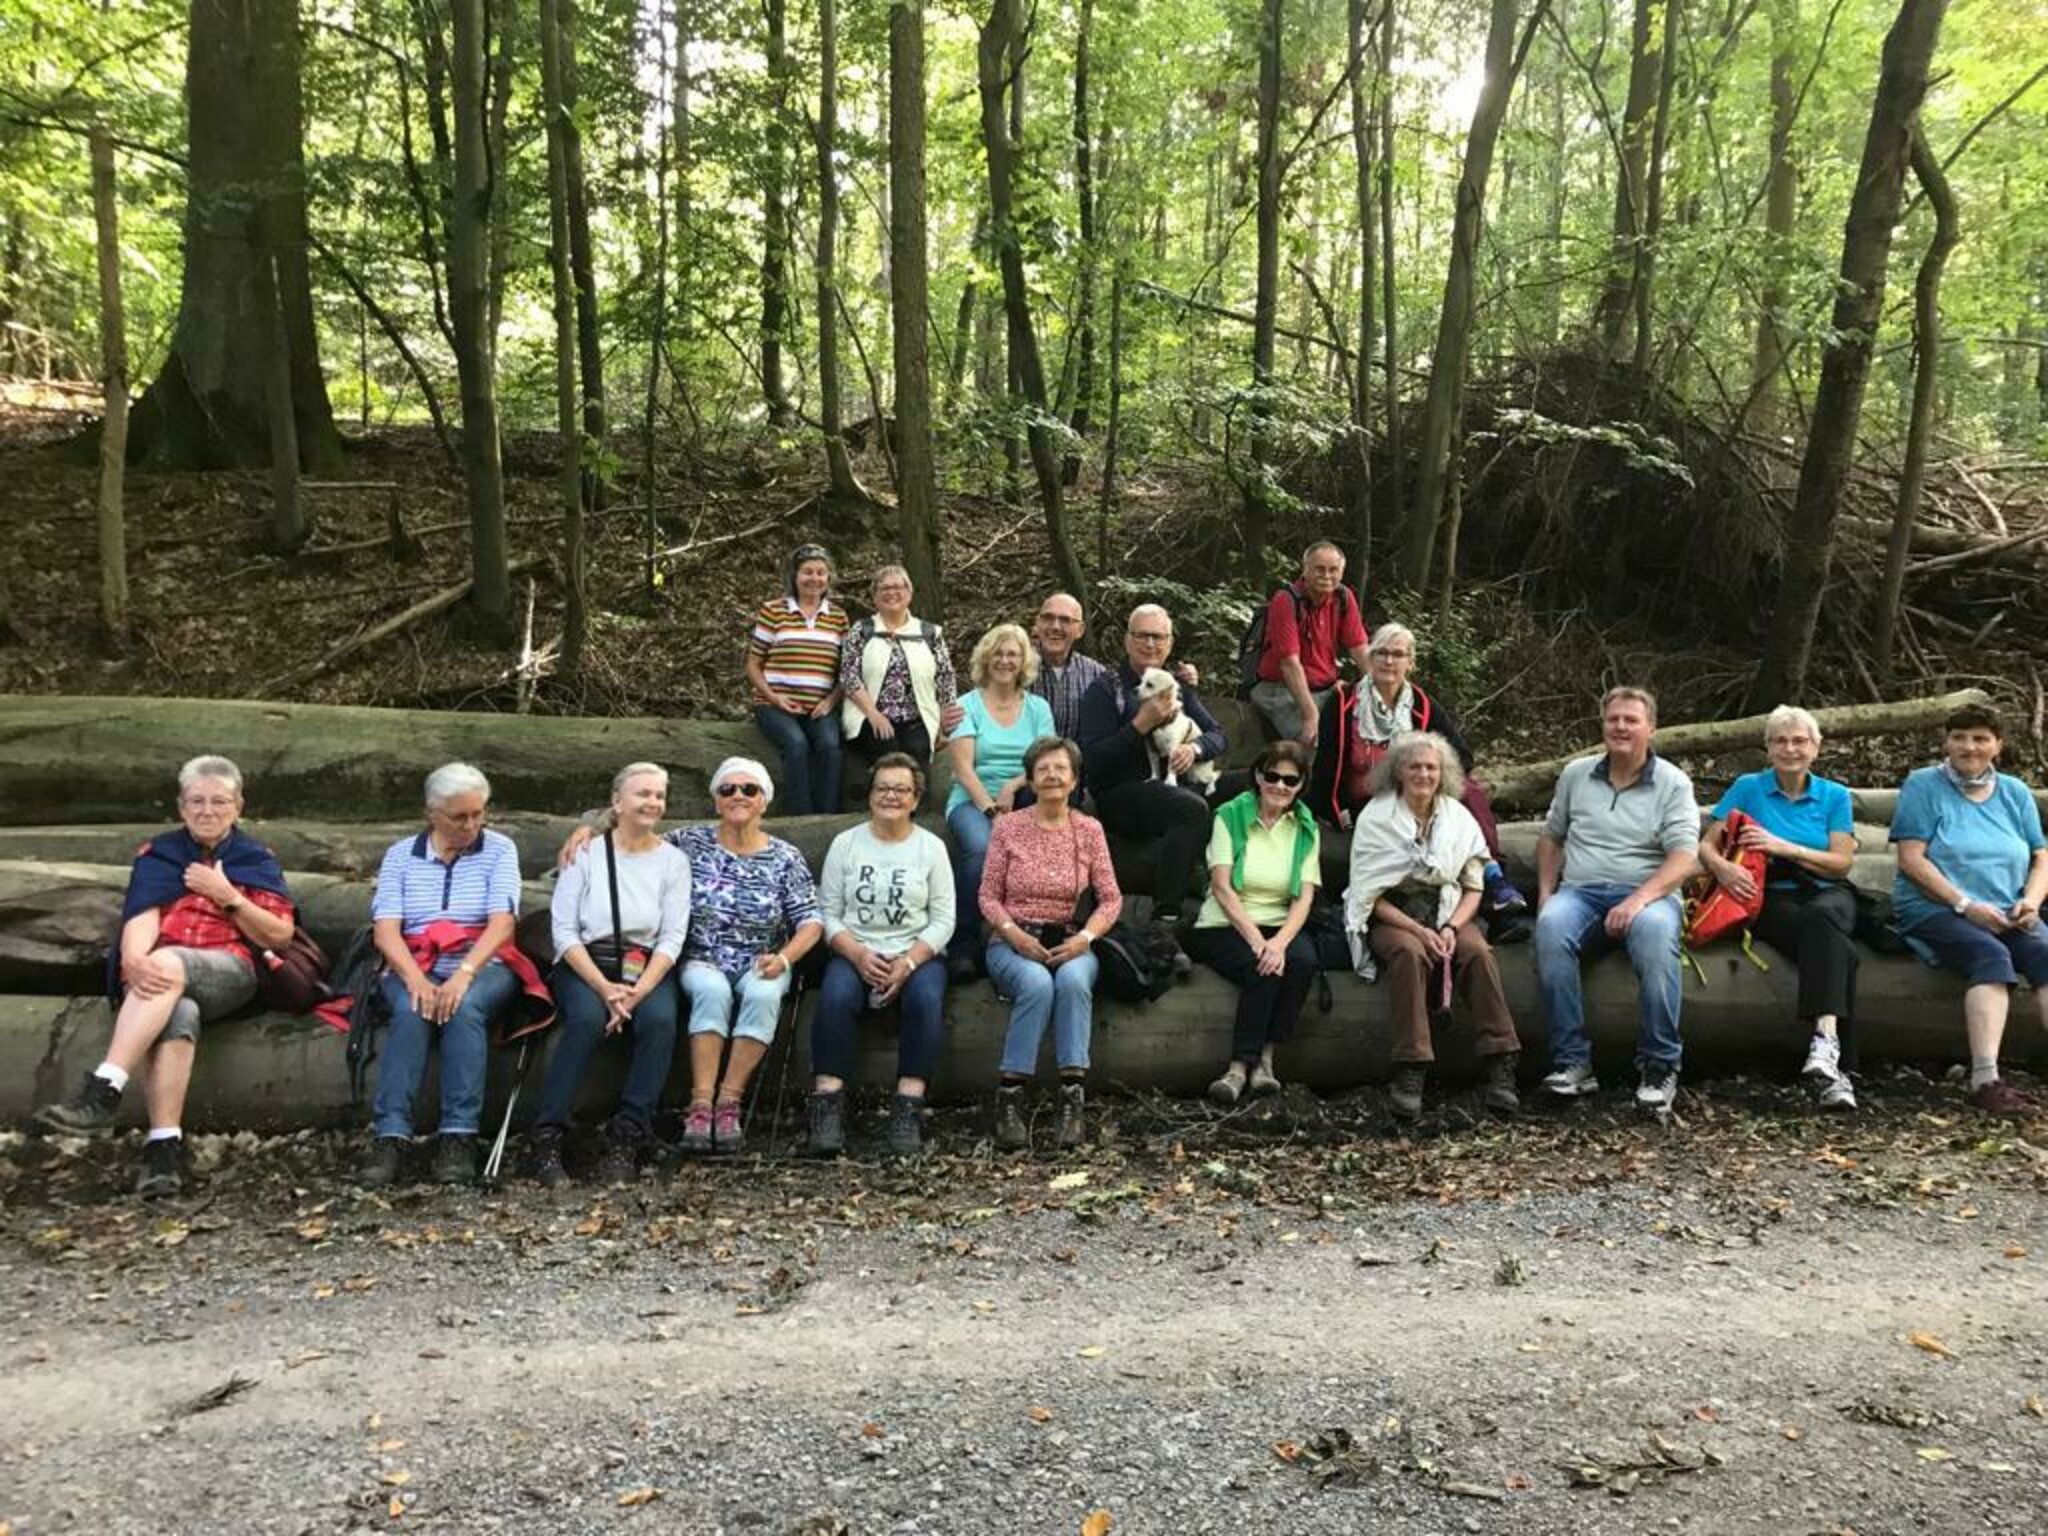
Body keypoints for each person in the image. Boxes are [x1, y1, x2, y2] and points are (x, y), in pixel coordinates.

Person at [34, 755, 297, 1198]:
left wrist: (227, 895)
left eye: (219, 801)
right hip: (164, 982)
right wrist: (134, 959)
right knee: (179, 1012)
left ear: (238, 806)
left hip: (231, 972)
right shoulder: (158, 855)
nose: (207, 810)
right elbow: (142, 917)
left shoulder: (255, 858)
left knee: (169, 962)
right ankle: (164, 1151)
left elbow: (280, 936)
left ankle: (106, 1085)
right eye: (197, 801)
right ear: (181, 806)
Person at [361, 763, 543, 1188]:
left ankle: (459, 1135)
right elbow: (386, 929)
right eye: (459, 817)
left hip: (483, 960)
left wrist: (463, 973)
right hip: (415, 960)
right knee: (411, 1010)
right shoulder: (401, 855)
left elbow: (501, 924)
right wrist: (415, 979)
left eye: (479, 814)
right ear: (432, 814)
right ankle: (391, 1135)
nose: (471, 825)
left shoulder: (499, 850)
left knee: (466, 1008)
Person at [1533, 687, 1699, 1115]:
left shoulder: (1673, 783)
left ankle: (1660, 1066)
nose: (1621, 727)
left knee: (1657, 938)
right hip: (1582, 892)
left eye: (1631, 720)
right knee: (1550, 927)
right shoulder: (1577, 774)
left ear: (1651, 728)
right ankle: (1572, 1063)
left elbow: (1684, 858)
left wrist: (1637, 901)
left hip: (1650, 893)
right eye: (1613, 719)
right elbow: (1552, 836)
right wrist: (1546, 894)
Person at [529, 763, 691, 1187]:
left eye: (659, 795)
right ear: (617, 802)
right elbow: (563, 931)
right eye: (643, 794)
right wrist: (604, 989)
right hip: (587, 962)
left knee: (659, 1021)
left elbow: (673, 936)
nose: (652, 802)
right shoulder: (585, 853)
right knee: (584, 1020)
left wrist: (635, 994)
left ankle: (629, 1134)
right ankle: (548, 1135)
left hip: (645, 966)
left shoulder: (674, 861)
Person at [1306, 621, 1528, 929]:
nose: (1389, 661)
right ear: (1369, 658)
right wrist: (1335, 813)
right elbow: (1325, 769)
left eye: (1398, 654)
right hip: (1369, 800)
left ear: (1410, 662)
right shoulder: (1343, 703)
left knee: (1469, 791)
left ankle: (1494, 881)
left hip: (1420, 794)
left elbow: (1462, 756)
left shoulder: (1422, 705)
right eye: (1381, 653)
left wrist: (1434, 774)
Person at [1347, 732, 1521, 1121]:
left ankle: (1500, 1063)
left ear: (1443, 773)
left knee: (1476, 952)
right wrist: (1419, 929)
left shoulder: (1458, 816)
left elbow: (1474, 885)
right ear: (1398, 772)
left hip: (1449, 910)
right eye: (1415, 766)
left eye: (1431, 767)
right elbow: (1368, 894)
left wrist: (1452, 927)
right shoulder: (1377, 817)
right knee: (1409, 953)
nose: (1424, 774)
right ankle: (1412, 1068)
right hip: (1394, 913)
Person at [1889, 702, 2048, 1117]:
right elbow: (1912, 859)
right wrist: (1965, 905)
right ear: (1946, 742)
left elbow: (2041, 857)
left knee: (2046, 954)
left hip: (2006, 907)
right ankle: (1986, 1079)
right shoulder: (1924, 785)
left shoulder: (2014, 792)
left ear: (1998, 744)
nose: (1969, 747)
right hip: (1934, 908)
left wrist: (2030, 901)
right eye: (1959, 737)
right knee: (1990, 956)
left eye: (1980, 738)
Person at [1699, 706, 1860, 1111]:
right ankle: (1836, 1065)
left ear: (1816, 747)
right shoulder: (1748, 788)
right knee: (1841, 951)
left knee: (1826, 920)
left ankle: (1827, 1051)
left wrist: (1782, 846)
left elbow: (1841, 863)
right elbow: (1706, 845)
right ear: (1768, 747)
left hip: (1829, 891)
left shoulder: (1834, 795)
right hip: (1769, 895)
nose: (1790, 749)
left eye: (1800, 741)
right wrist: (1723, 870)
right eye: (1781, 741)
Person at [673, 757, 824, 1152]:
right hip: (702, 955)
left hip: (764, 958)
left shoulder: (785, 857)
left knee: (763, 994)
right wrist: (589, 828)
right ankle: (700, 1103)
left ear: (764, 801)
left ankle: (729, 1101)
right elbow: (632, 836)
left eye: (749, 789)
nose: (738, 795)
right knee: (712, 993)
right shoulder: (688, 841)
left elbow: (811, 921)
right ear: (716, 799)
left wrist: (785, 958)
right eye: (728, 789)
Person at [809, 753, 957, 1157]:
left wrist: (909, 962)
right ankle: (828, 1105)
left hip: (916, 952)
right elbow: (828, 912)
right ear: (871, 794)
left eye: (901, 789)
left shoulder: (931, 848)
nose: (891, 796)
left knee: (926, 1000)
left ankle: (908, 1106)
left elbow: (944, 919)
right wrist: (856, 954)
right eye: (883, 788)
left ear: (915, 798)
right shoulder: (847, 843)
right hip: (856, 949)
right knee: (836, 996)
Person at [981, 737, 1124, 1152]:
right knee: (1037, 984)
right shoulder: (1008, 827)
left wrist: (1085, 938)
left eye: (1061, 768)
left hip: (1071, 941)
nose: (1052, 775)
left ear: (1075, 778)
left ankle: (1071, 1100)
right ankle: (1009, 1097)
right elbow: (987, 895)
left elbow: (1111, 898)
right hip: (1014, 940)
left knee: (1073, 982)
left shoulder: (1089, 829)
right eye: (1043, 768)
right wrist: (1014, 934)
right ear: (1030, 778)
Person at [1183, 741, 1322, 1106]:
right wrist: (1260, 943)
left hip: (1279, 921)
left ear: (1301, 785)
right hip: (1226, 922)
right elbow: (1221, 887)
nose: (1280, 786)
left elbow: (1304, 896)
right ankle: (1239, 1067)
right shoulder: (1230, 815)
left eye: (1290, 781)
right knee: (1264, 968)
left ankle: (1266, 1057)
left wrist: (1277, 944)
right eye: (1272, 776)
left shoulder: (1305, 826)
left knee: (1302, 961)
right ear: (1259, 776)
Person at [1075, 603, 1225, 937]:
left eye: (1158, 637)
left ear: (1170, 643)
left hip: (1179, 782)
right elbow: (1094, 760)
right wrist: (1140, 725)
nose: (1150, 644)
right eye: (1142, 636)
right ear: (1127, 641)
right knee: (1190, 808)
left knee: (1255, 784)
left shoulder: (1174, 685)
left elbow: (1217, 735)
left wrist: (1194, 748)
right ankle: (1166, 916)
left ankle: (1248, 896)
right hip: (1122, 793)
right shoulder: (1106, 689)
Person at [946, 623, 1056, 979]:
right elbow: (963, 768)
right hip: (971, 799)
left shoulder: (1038, 708)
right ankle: (963, 944)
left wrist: (1013, 785)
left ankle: (1025, 937)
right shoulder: (967, 705)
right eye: (998, 653)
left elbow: (1047, 762)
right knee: (982, 849)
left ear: (1023, 662)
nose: (1005, 660)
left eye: (1012, 654)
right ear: (986, 658)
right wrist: (992, 810)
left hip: (1025, 796)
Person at [747, 543, 848, 815]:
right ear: (795, 576)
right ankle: (800, 816)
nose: (814, 579)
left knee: (830, 746)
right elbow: (753, 664)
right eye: (807, 572)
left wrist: (831, 701)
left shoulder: (838, 617)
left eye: (820, 573)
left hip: (819, 707)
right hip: (774, 705)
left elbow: (847, 670)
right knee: (797, 744)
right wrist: (774, 698)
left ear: (829, 578)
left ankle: (827, 816)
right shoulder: (774, 611)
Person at [1248, 540, 1370, 746]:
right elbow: (1289, 663)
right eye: (1319, 569)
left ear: (1341, 572)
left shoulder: (1344, 598)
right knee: (1316, 744)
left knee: (1362, 735)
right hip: (1281, 690)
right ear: (1305, 570)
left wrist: (1379, 690)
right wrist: (1311, 715)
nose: (1327, 576)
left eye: (1333, 570)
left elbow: (1359, 648)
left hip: (1326, 689)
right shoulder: (1286, 601)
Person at [840, 564, 959, 770]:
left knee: (918, 753)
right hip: (869, 716)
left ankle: (916, 802)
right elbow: (848, 675)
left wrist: (944, 723)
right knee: (888, 751)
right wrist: (873, 714)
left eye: (898, 587)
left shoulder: (929, 633)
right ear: (875, 597)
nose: (892, 592)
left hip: (915, 718)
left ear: (909, 594)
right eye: (884, 588)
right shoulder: (862, 630)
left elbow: (945, 678)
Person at [1030, 592, 1111, 740]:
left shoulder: (1096, 675)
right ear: (1037, 624)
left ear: (1080, 630)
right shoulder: (1016, 669)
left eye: (1065, 620)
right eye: (1048, 618)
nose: (1055, 626)